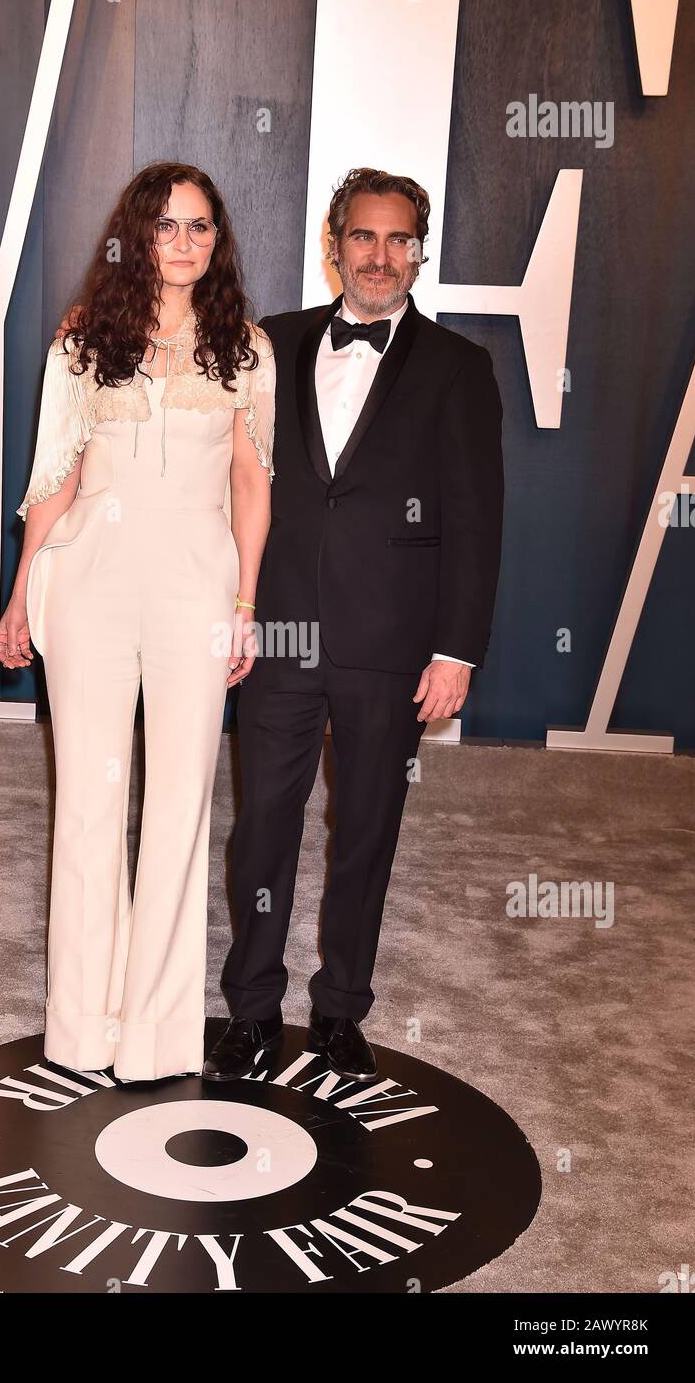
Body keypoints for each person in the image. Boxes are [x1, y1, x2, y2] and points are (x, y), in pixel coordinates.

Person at [204, 167, 504, 1083]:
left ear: (420, 253)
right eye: (363, 237)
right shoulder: (271, 343)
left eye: (398, 240)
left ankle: (339, 1012)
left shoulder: (459, 367)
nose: (380, 256)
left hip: (393, 646)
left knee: (367, 828)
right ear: (333, 243)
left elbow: (477, 517)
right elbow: (220, 478)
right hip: (279, 632)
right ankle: (251, 1009)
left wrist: (456, 649)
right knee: (263, 828)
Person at [0, 162, 274, 1083]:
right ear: (136, 234)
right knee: (86, 803)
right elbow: (53, 480)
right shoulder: (83, 341)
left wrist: (244, 608)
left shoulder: (246, 349)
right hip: (90, 582)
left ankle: (156, 1034)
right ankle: (81, 1027)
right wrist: (19, 593)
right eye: (166, 226)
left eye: (199, 227)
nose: (184, 243)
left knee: (180, 806)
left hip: (198, 588)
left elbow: (249, 483)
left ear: (217, 239)